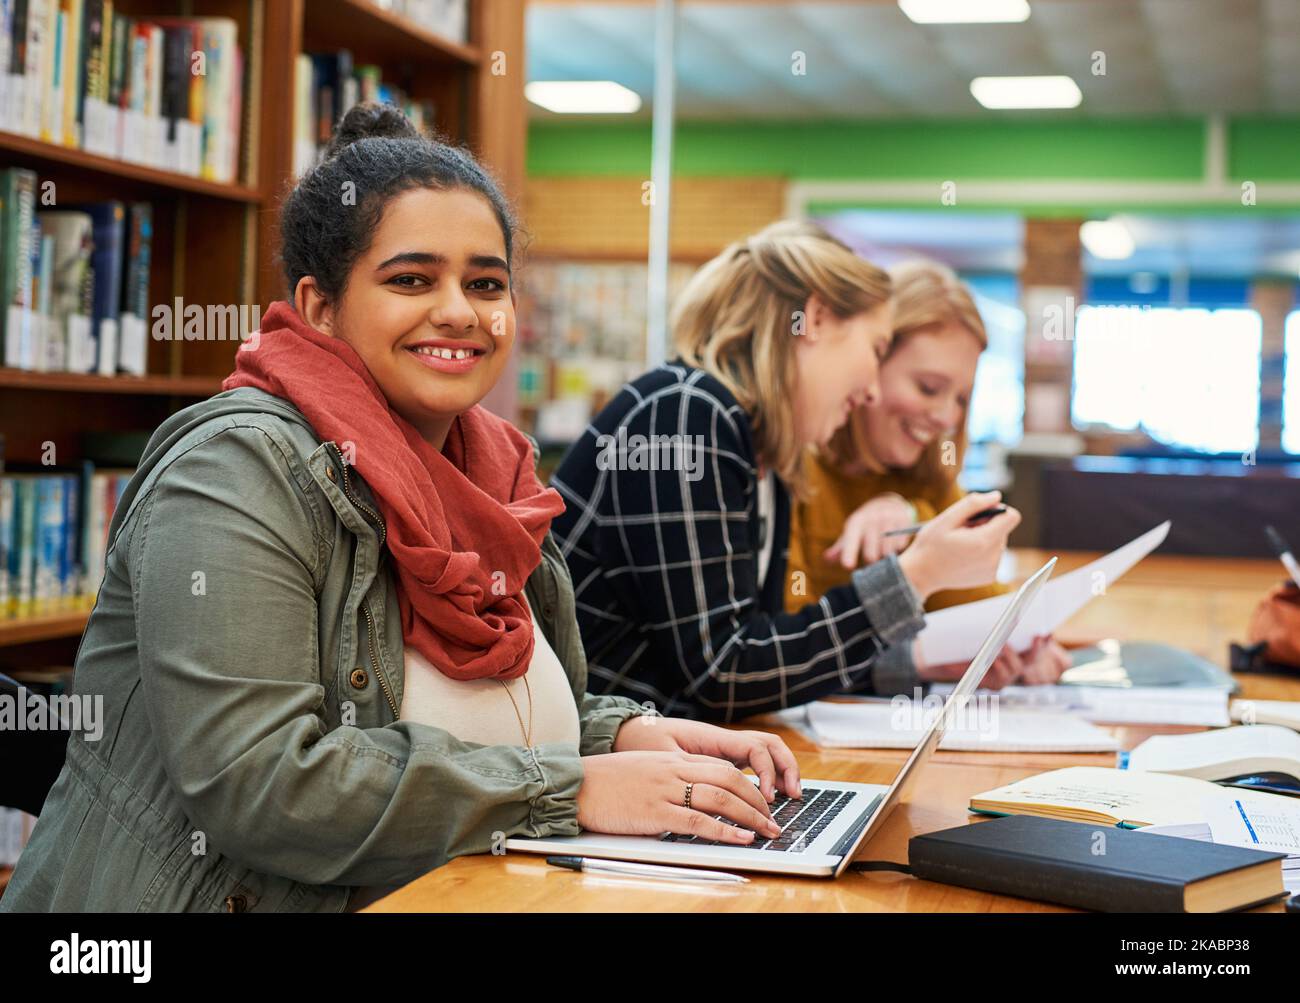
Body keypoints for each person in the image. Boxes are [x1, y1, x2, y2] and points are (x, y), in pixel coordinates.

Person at [0, 105, 803, 915]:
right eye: (411, 279)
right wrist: (575, 786)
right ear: (319, 308)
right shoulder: (234, 471)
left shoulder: (495, 476)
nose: (459, 310)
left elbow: (473, 709)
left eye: (486, 283)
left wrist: (625, 737)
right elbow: (261, 782)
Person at [551, 221, 1022, 723]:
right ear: (815, 320)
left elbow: (770, 655)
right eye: (877, 350)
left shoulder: (764, 454)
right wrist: (913, 576)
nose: (869, 391)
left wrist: (916, 650)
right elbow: (724, 677)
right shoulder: (686, 411)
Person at [786, 259, 1071, 686]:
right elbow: (783, 654)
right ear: (869, 363)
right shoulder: (793, 469)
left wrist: (1026, 645)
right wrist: (911, 661)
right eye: (928, 388)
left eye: (960, 398)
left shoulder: (931, 480)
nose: (944, 416)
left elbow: (982, 612)